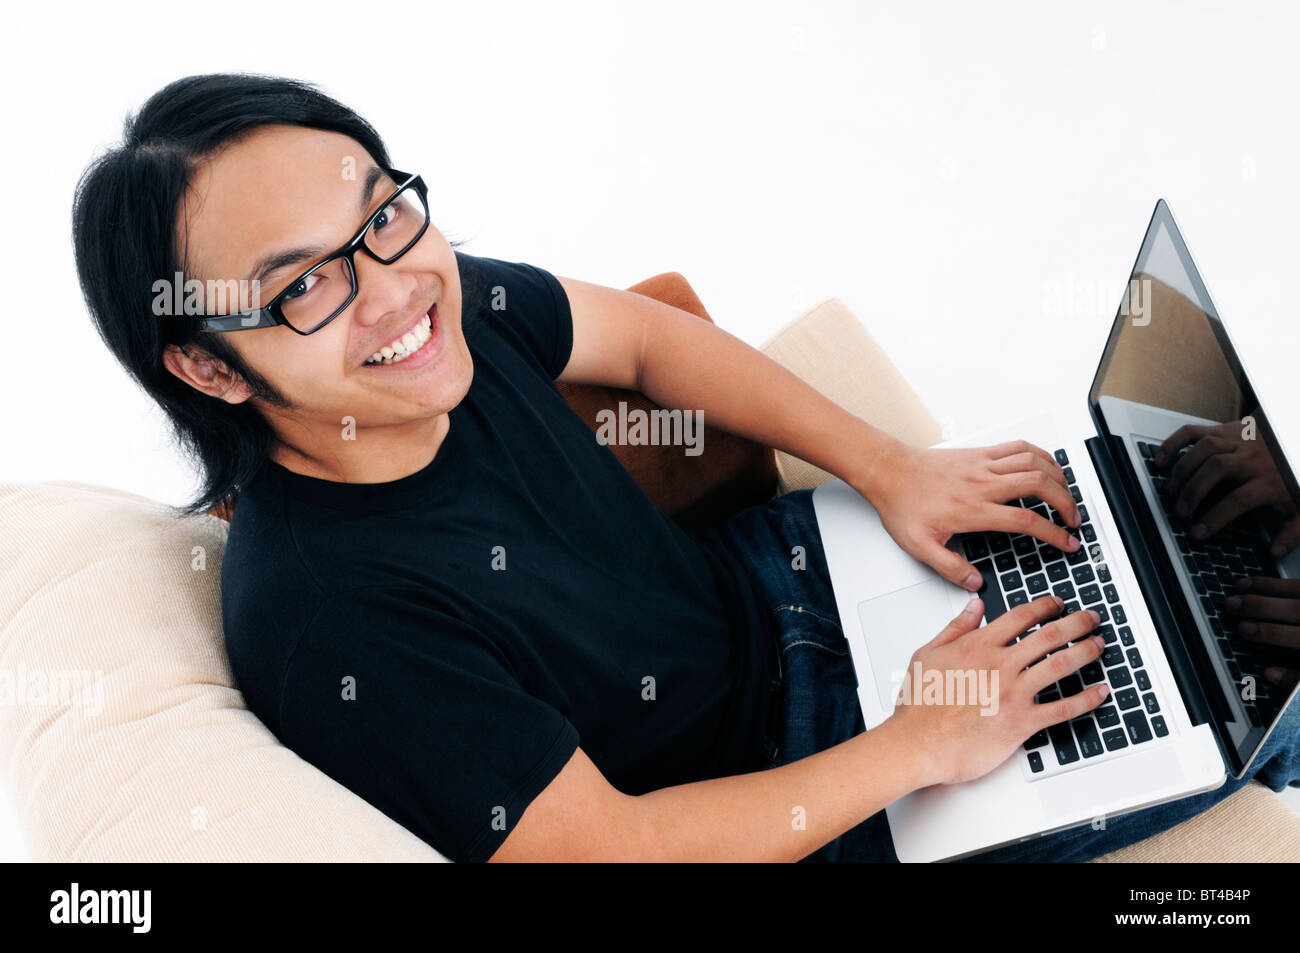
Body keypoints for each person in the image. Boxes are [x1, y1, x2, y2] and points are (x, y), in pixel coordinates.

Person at [72, 72, 1300, 862]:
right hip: (782, 786)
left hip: (776, 579)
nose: (393, 290)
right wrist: (921, 742)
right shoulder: (338, 622)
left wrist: (887, 467)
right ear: (210, 368)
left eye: (384, 213)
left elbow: (652, 340)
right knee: (1227, 707)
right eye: (305, 285)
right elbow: (605, 850)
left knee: (1160, 548)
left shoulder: (444, 306)